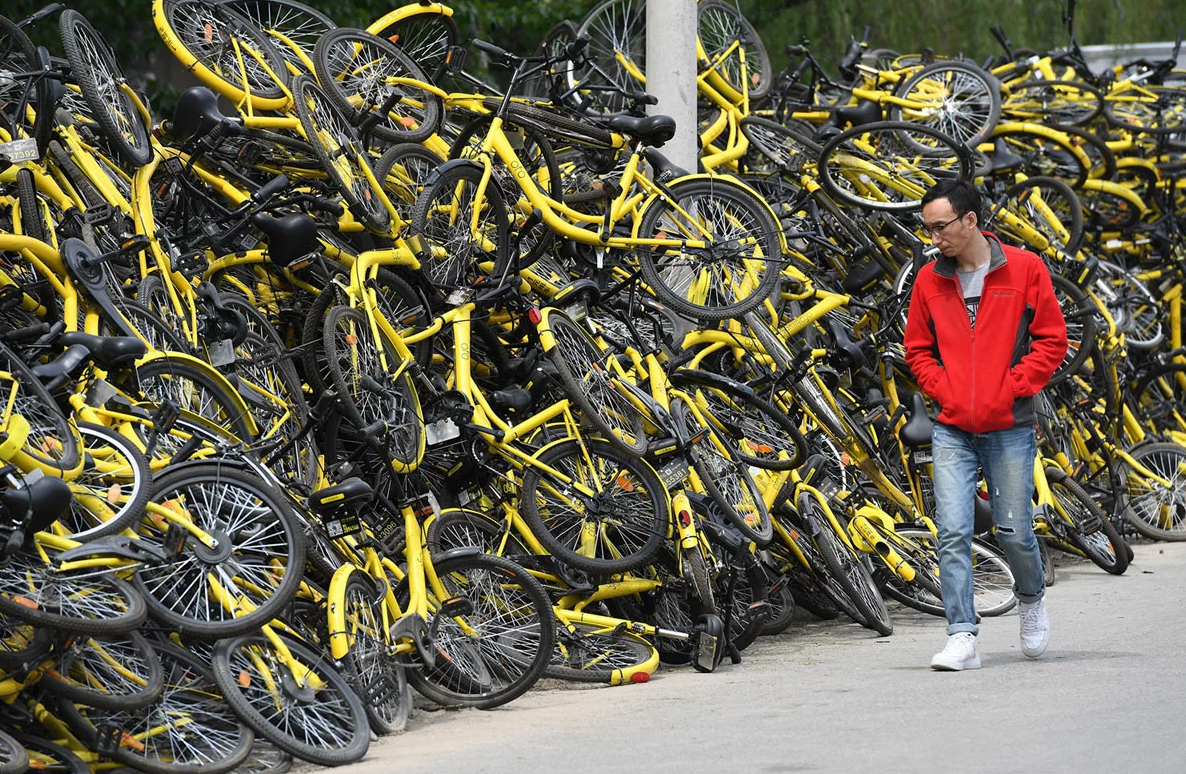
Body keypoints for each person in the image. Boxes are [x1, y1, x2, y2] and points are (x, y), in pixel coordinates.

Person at [903, 179, 1068, 671]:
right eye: (928, 228)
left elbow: (1052, 340)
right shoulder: (930, 279)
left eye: (941, 226)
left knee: (1013, 530)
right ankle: (961, 635)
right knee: (952, 531)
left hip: (1009, 424)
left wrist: (1013, 385)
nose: (934, 238)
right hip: (952, 425)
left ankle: (1032, 598)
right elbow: (917, 350)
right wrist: (945, 388)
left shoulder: (1024, 268)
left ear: (970, 220)